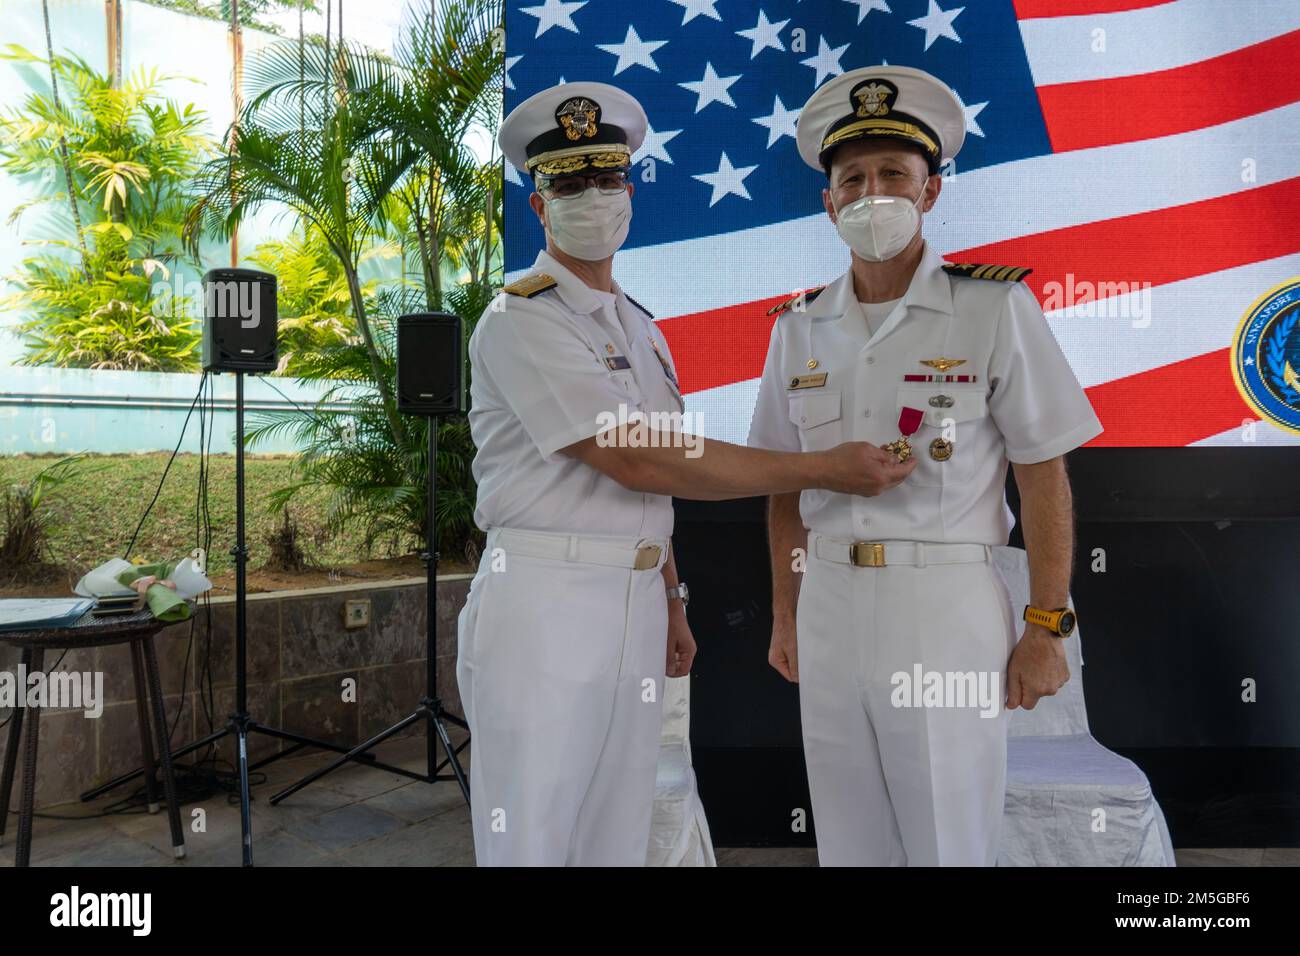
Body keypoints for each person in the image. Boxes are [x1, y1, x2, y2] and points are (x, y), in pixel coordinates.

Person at [458, 80, 916, 866]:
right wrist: (820, 468)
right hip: (545, 602)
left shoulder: (641, 328)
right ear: (539, 207)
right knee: (534, 833)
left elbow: (658, 481)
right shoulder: (521, 317)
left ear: (629, 194)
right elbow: (636, 456)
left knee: (617, 831)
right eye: (569, 184)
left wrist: (669, 598)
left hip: (634, 601)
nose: (592, 198)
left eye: (606, 179)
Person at [747, 65, 1104, 866]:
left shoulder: (993, 307)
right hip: (830, 600)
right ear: (828, 199)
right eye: (854, 179)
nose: (873, 192)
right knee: (847, 838)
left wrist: (1048, 624)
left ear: (931, 191)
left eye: (894, 175)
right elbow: (782, 483)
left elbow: (1043, 472)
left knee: (948, 839)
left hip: (944, 605)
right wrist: (785, 610)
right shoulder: (795, 329)